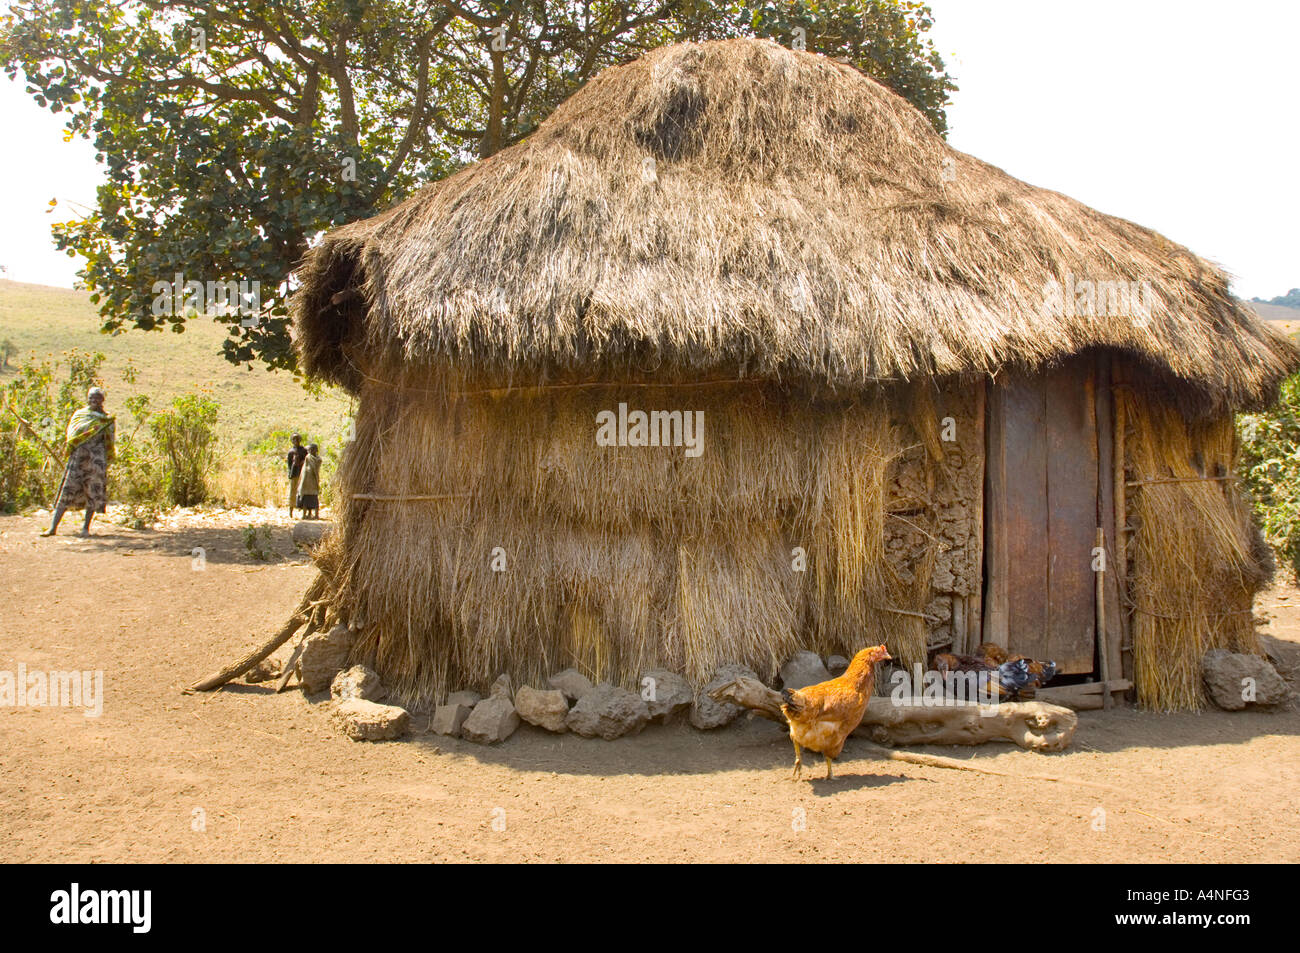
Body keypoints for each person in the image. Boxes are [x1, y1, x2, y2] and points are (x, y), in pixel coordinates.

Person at [41, 387, 116, 538]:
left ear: (102, 400)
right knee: (67, 490)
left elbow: (110, 440)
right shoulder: (79, 415)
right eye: (91, 398)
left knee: (92, 492)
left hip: (96, 460)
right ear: (87, 399)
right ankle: (53, 528)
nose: (94, 401)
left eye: (97, 398)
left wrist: (105, 459)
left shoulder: (107, 419)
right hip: (78, 458)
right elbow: (72, 434)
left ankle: (85, 529)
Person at [296, 443, 322, 519]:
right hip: (306, 481)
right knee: (307, 498)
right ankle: (306, 514)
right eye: (309, 450)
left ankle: (315, 515)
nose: (309, 451)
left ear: (315, 450)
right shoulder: (309, 458)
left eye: (311, 449)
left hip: (312, 480)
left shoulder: (315, 459)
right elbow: (304, 470)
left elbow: (315, 469)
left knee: (312, 498)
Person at [286, 433, 308, 518]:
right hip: (294, 474)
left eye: (298, 439)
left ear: (300, 440)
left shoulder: (304, 450)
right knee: (292, 492)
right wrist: (290, 474)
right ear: (292, 441)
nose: (296, 441)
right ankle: (290, 511)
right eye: (294, 439)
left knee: (303, 492)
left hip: (302, 474)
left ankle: (304, 512)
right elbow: (289, 465)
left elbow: (306, 462)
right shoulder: (291, 452)